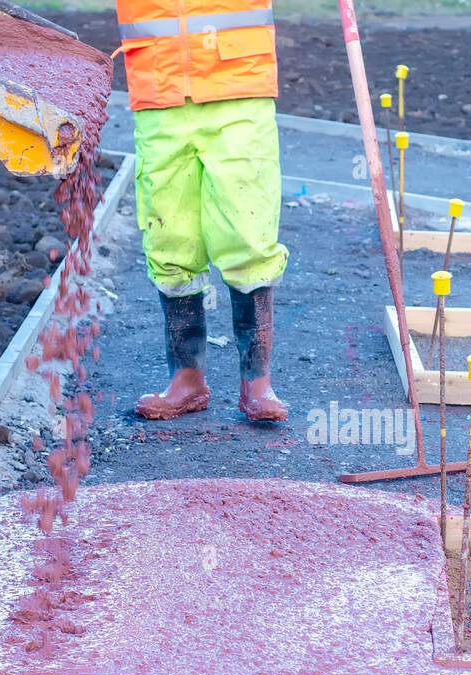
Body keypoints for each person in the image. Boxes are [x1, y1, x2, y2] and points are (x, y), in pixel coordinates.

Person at [116, 0, 289, 421]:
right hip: (158, 89)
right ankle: (186, 380)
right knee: (169, 235)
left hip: (238, 86)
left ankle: (257, 385)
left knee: (247, 232)